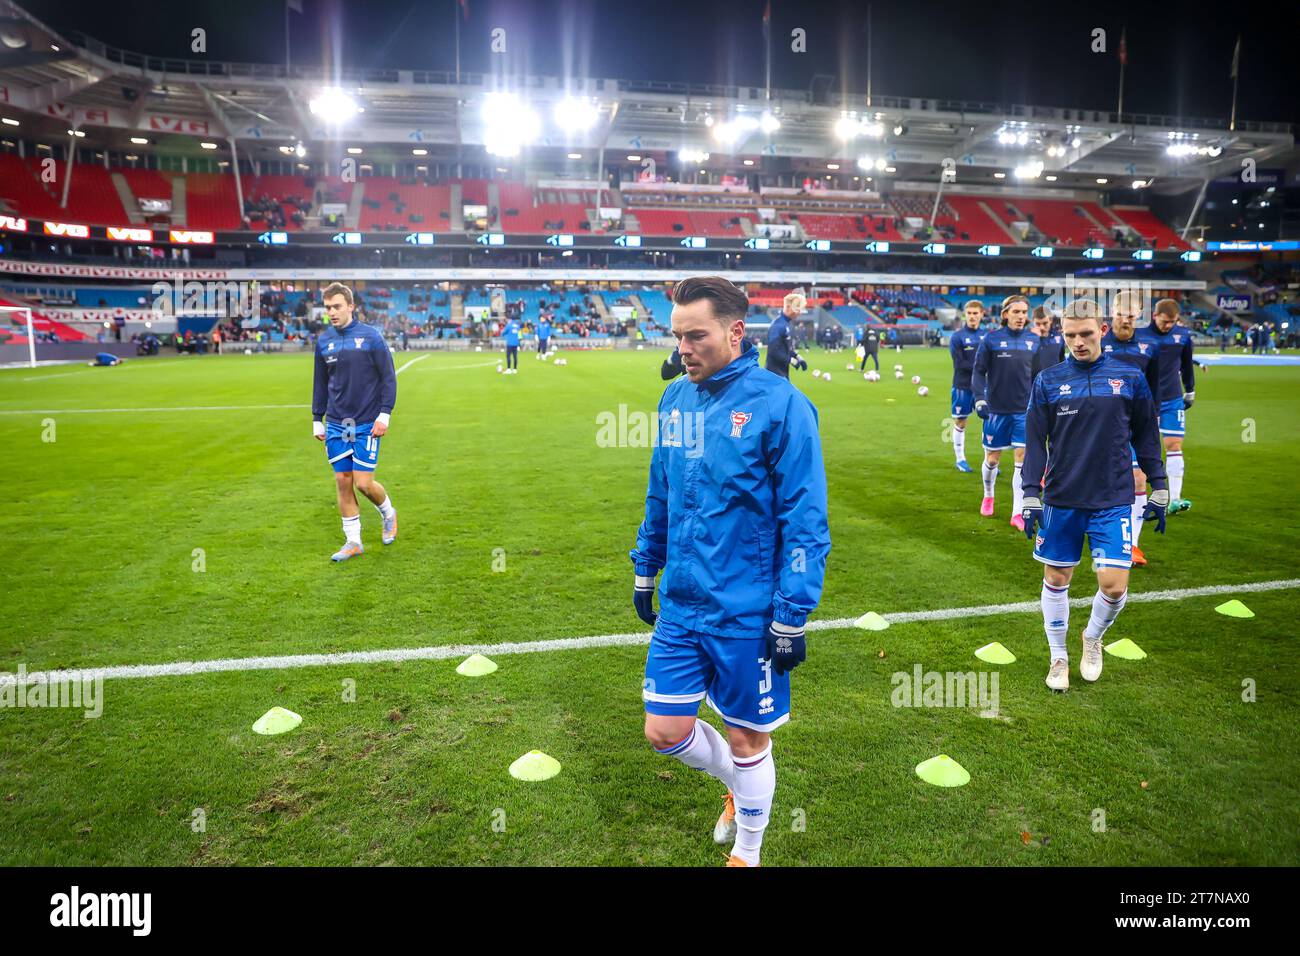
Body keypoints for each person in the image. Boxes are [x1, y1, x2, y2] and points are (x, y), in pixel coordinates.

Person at [631, 276, 830, 868]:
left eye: (696, 336)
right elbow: (660, 492)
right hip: (684, 601)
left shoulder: (783, 404)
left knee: (747, 738)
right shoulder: (675, 400)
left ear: (736, 331)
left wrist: (792, 613)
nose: (682, 349)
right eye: (676, 337)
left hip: (748, 609)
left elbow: (806, 518)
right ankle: (739, 787)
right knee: (664, 731)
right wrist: (648, 566)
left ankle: (748, 852)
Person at [1021, 299, 1168, 691]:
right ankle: (1058, 657)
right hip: (1062, 497)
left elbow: (1146, 436)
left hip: (1112, 496)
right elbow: (1035, 441)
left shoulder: (1129, 377)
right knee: (1057, 577)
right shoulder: (1048, 381)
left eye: (1085, 333)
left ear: (1102, 330)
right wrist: (1030, 492)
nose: (1078, 342)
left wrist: (1160, 484)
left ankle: (1092, 638)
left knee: (1115, 586)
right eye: (1070, 335)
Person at [311, 282, 398, 562]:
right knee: (342, 480)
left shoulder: (371, 337)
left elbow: (388, 377)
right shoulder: (324, 341)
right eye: (327, 308)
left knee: (363, 483)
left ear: (351, 306)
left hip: (366, 422)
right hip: (337, 422)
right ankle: (353, 541)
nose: (332, 313)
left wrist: (385, 413)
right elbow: (320, 382)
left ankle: (388, 514)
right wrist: (317, 418)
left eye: (337, 306)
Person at [1100, 289, 1162, 567]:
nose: (1125, 319)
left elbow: (1155, 387)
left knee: (1138, 479)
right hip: (1098, 423)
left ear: (1138, 315)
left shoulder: (1149, 347)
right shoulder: (1098, 342)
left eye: (1131, 314)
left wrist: (1153, 417)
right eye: (1121, 313)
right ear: (1112, 312)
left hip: (1133, 424)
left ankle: (1132, 544)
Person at [970, 294, 1039, 526]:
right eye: (1016, 312)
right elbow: (979, 371)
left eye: (1024, 312)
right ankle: (988, 495)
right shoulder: (991, 340)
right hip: (996, 411)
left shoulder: (1033, 340)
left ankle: (1017, 512)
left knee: (1022, 457)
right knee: (992, 458)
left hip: (1023, 410)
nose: (1021, 316)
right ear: (1005, 314)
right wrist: (980, 399)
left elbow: (1038, 375)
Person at [1139, 298, 1196, 514]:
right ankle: (1135, 497)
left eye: (1172, 322)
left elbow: (1187, 365)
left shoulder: (1183, 336)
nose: (1168, 326)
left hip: (1172, 397)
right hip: (1145, 400)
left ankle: (1175, 498)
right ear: (1155, 316)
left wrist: (1190, 391)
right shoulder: (1140, 334)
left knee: (1173, 445)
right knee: (1140, 449)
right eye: (1165, 322)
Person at [948, 300, 987, 473]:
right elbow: (959, 364)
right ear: (965, 315)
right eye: (969, 313)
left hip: (984, 386)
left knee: (989, 421)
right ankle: (960, 459)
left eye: (975, 313)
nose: (972, 316)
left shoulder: (987, 336)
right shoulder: (957, 337)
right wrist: (983, 368)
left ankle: (990, 461)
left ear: (981, 314)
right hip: (962, 385)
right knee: (961, 421)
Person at [765, 292, 807, 379]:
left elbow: (785, 348)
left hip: (782, 373)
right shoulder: (778, 326)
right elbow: (774, 351)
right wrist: (791, 360)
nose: (800, 312)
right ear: (788, 307)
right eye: (798, 309)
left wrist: (798, 357)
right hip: (774, 376)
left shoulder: (786, 324)